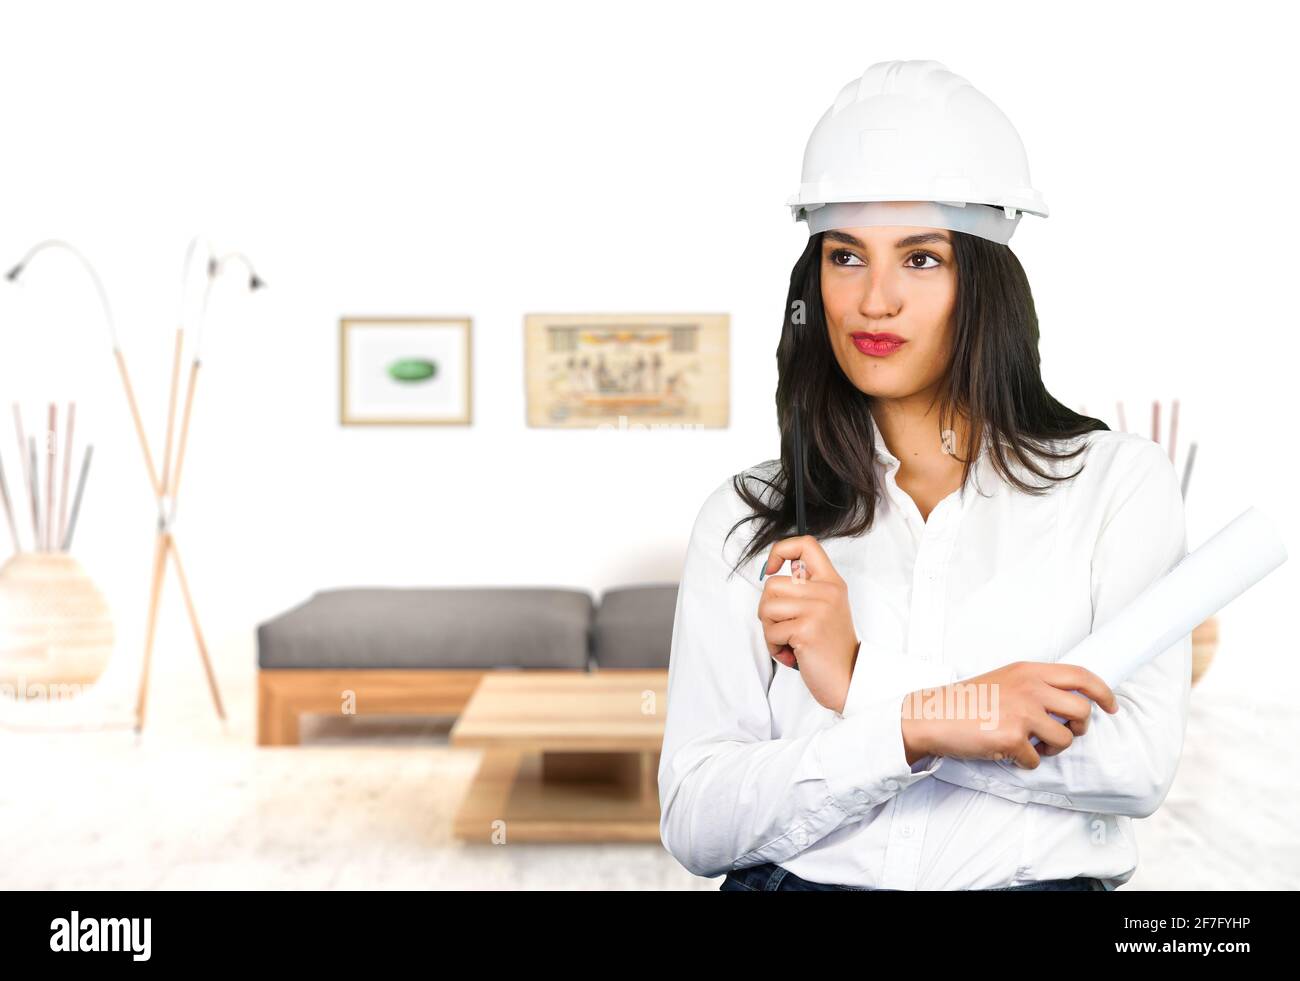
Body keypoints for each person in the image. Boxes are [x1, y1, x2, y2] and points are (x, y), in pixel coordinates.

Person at [657, 61, 1191, 891]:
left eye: (921, 258)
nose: (875, 300)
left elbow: (1133, 764)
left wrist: (861, 679)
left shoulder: (1114, 486)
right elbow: (697, 815)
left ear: (984, 280)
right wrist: (926, 721)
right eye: (845, 256)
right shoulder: (747, 515)